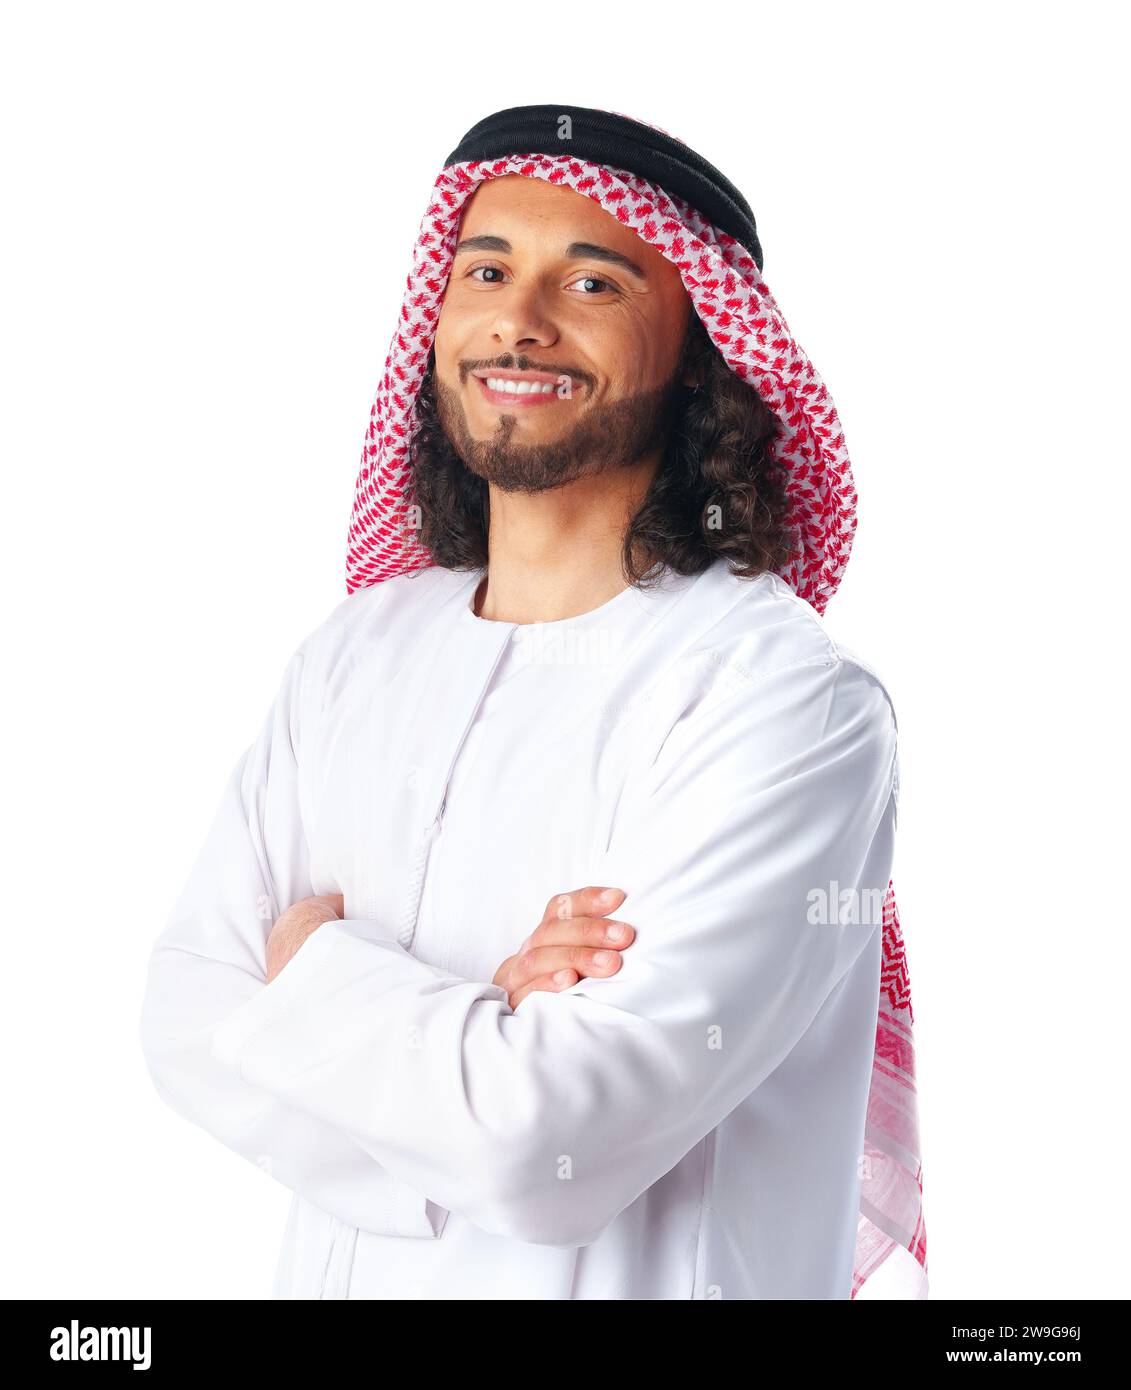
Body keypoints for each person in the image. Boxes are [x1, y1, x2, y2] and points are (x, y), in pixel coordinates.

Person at [139, 105, 928, 1300]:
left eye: (594, 282)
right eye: (488, 269)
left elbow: (554, 1145)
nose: (520, 317)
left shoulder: (788, 702)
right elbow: (184, 1021)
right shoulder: (354, 655)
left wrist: (314, 973)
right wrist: (476, 1030)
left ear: (702, 347)